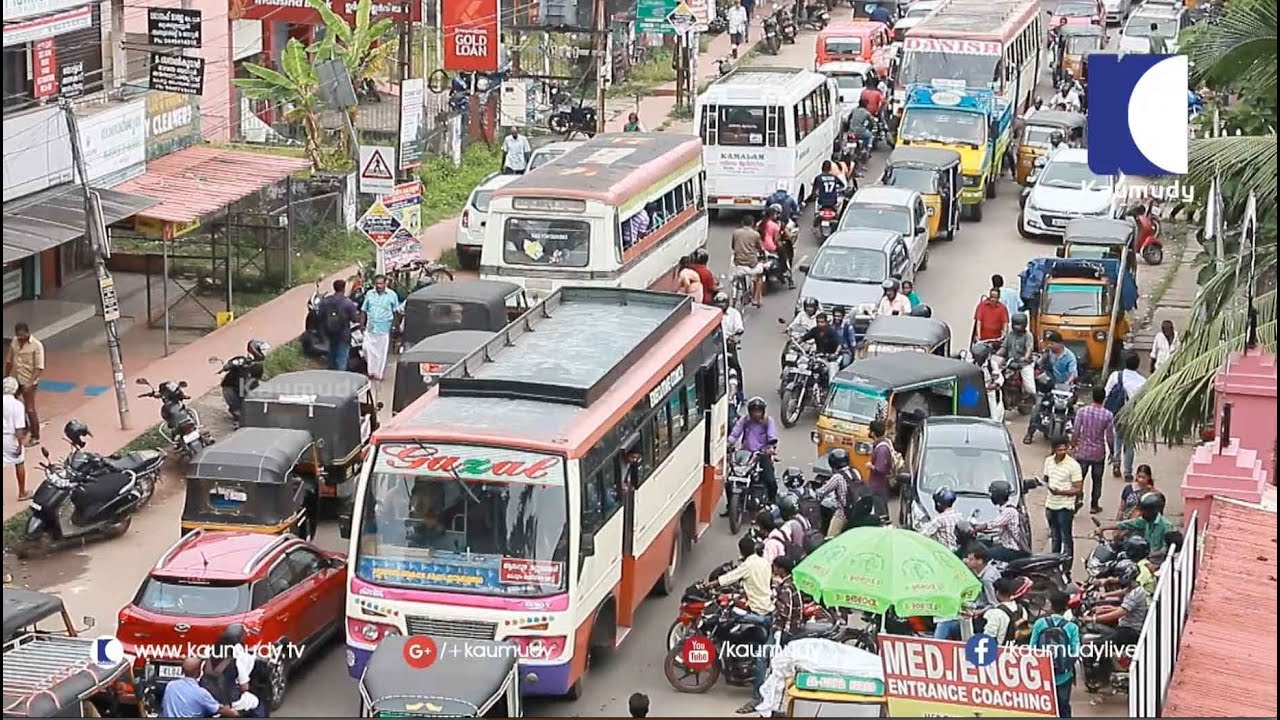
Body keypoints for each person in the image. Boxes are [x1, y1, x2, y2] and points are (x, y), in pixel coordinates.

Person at [742, 553, 805, 714]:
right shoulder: (789, 584)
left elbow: (785, 613)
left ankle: (758, 697)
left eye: (776, 567)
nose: (773, 568)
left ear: (782, 570)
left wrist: (777, 632)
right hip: (784, 626)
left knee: (761, 659)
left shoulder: (786, 589)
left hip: (784, 631)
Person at [1079, 560, 1146, 680]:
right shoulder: (1134, 587)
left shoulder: (1135, 593)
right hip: (1125, 626)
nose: (1118, 578)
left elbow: (1119, 612)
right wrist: (1104, 605)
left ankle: (1101, 677)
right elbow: (1122, 601)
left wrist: (1093, 619)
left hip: (1129, 631)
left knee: (1098, 646)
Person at [1029, 590, 1081, 718]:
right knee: (1063, 705)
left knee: (1044, 707)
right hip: (1064, 675)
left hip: (1043, 674)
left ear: (1050, 605)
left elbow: (1032, 647)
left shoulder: (1040, 623)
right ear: (1066, 606)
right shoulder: (1071, 627)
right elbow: (1075, 651)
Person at [936, 544, 1002, 640]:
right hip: (973, 606)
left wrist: (978, 612)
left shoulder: (987, 579)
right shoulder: (979, 571)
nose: (967, 561)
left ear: (980, 561)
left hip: (980, 613)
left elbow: (994, 603)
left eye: (971, 559)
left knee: (944, 624)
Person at [1025, 331, 1077, 444]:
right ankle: (1029, 433)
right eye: (1049, 343)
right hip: (1048, 387)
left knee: (1073, 410)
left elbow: (1073, 373)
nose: (1050, 345)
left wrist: (1067, 383)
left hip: (1064, 388)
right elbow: (1038, 365)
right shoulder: (1048, 353)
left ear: (1060, 344)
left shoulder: (1070, 356)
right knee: (1037, 407)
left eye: (1052, 343)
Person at [728, 397, 780, 504]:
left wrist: (770, 449)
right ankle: (730, 506)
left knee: (770, 480)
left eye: (758, 411)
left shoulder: (768, 421)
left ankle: (772, 503)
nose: (756, 414)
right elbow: (735, 434)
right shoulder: (744, 420)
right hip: (746, 454)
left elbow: (772, 437)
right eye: (754, 411)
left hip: (762, 454)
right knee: (730, 480)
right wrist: (728, 444)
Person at [1074, 385, 1116, 514]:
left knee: (1078, 478)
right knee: (1097, 480)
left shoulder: (1082, 411)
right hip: (1098, 453)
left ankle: (1076, 499)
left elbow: (1076, 430)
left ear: (1092, 396)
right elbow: (1109, 436)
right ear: (1104, 399)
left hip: (1083, 451)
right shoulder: (1108, 415)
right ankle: (1094, 505)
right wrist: (1112, 451)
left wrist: (1073, 444)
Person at [1043, 436, 1084, 568]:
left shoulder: (1073, 466)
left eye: (1064, 449)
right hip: (1050, 505)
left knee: (1066, 538)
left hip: (1065, 507)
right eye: (1059, 450)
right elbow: (1046, 478)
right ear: (1053, 449)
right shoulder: (1048, 461)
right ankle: (1054, 566)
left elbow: (1078, 489)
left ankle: (1067, 568)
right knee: (1055, 538)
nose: (1062, 452)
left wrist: (1060, 492)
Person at [1098, 491, 1176, 559]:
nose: (1141, 513)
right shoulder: (1145, 520)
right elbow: (1127, 524)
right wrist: (1104, 528)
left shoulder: (1166, 526)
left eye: (1145, 511)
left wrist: (1149, 555)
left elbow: (1166, 549)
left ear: (1153, 511)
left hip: (1156, 562)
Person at [1104, 352, 1145, 478]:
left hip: (1117, 413)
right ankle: (1128, 471)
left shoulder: (1116, 376)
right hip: (1133, 415)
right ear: (1138, 365)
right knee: (1130, 443)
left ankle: (1116, 463)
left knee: (1118, 438)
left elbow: (1106, 393)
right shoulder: (1142, 381)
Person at [713, 535, 773, 617]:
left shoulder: (747, 565)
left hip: (756, 607)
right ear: (754, 549)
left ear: (742, 552)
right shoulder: (765, 562)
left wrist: (709, 585)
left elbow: (729, 577)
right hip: (767, 604)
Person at [5, 323, 44, 445]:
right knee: (14, 403)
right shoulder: (14, 342)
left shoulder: (36, 346)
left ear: (27, 333)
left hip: (29, 380)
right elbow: (9, 360)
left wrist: (30, 383)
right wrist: (6, 376)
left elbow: (39, 367)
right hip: (15, 378)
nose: (20, 338)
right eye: (18, 335)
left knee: (30, 409)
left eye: (22, 335)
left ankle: (35, 435)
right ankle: (24, 426)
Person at [973, 480, 1031, 562]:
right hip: (1007, 545)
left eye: (992, 494)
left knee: (984, 555)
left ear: (998, 495)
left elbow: (993, 524)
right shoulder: (1005, 508)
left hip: (1013, 550)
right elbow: (998, 528)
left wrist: (976, 528)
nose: (991, 496)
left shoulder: (1009, 511)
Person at [162, 657, 240, 717]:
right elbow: (220, 709)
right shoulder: (201, 693)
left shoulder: (170, 686)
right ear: (199, 671)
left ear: (182, 670)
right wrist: (236, 713)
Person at [360, 274, 400, 381]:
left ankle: (377, 374)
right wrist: (362, 324)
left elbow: (396, 311)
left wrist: (396, 326)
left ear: (385, 283)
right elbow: (364, 309)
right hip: (371, 327)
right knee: (366, 349)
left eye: (381, 283)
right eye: (377, 283)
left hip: (384, 328)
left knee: (381, 353)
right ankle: (371, 370)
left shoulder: (392, 295)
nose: (379, 286)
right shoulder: (370, 294)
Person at [815, 447, 860, 536]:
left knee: (830, 537)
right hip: (858, 509)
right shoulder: (855, 472)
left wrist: (814, 492)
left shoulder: (837, 477)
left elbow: (821, 492)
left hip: (844, 512)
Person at [319, 279, 359, 371]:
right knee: (341, 359)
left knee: (331, 357)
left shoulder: (326, 301)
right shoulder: (348, 303)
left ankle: (331, 379)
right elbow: (354, 318)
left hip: (330, 333)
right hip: (343, 334)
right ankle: (341, 380)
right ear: (344, 288)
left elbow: (320, 315)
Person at [997, 312, 1036, 397]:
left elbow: (1029, 348)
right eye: (1014, 324)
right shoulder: (1010, 334)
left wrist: (1025, 357)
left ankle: (1032, 402)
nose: (1016, 327)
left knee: (1029, 387)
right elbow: (1004, 347)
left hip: (1024, 364)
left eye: (1018, 325)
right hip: (1010, 362)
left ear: (1024, 325)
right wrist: (996, 355)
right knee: (999, 377)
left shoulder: (1028, 335)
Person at [982, 577, 1029, 646]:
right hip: (1016, 650)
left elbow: (989, 637)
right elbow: (1024, 633)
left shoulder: (994, 613)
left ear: (997, 592)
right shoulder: (1022, 610)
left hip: (999, 651)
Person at [731, 214, 765, 307]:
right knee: (759, 276)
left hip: (738, 262)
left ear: (742, 223)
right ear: (753, 223)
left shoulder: (736, 233)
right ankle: (755, 299)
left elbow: (733, 247)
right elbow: (761, 248)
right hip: (751, 264)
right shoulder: (755, 234)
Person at [3, 377, 29, 500]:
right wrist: (20, 444)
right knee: (19, 463)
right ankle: (22, 492)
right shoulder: (17, 405)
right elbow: (19, 429)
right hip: (10, 438)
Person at [800, 313, 843, 384]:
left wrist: (835, 353)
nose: (820, 324)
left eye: (822, 322)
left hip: (831, 359)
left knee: (832, 379)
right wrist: (795, 343)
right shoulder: (815, 330)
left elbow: (840, 344)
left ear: (826, 322)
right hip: (819, 356)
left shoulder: (831, 331)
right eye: (818, 322)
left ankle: (830, 392)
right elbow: (804, 338)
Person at [970, 342, 1005, 422]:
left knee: (994, 418)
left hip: (991, 394)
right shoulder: (971, 365)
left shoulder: (991, 365)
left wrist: (995, 384)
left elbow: (999, 379)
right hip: (977, 393)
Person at [919, 487, 962, 551]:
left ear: (938, 503)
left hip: (944, 553)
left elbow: (922, 535)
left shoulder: (940, 519)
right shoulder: (959, 515)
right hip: (957, 552)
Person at [865, 419, 895, 504]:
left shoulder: (882, 449)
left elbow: (881, 469)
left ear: (873, 433)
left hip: (878, 487)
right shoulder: (884, 443)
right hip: (879, 486)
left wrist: (870, 466)